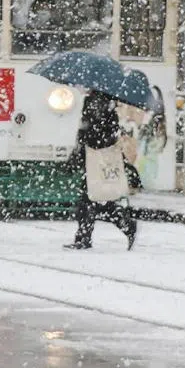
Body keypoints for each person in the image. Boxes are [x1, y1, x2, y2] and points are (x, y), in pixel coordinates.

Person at [64, 90, 137, 251]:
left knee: (92, 199)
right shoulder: (108, 103)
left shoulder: (95, 101)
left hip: (95, 157)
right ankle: (122, 225)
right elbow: (107, 132)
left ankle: (122, 226)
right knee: (96, 199)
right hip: (96, 156)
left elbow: (88, 131)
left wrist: (79, 151)